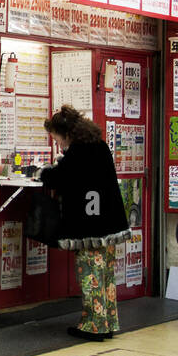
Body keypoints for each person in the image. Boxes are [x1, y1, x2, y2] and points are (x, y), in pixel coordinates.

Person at [39, 105, 130, 341]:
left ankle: (93, 325)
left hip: (90, 225)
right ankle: (107, 321)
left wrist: (42, 173)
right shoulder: (98, 146)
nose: (58, 144)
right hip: (109, 223)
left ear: (66, 134)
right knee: (106, 275)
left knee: (89, 273)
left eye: (57, 138)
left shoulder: (77, 152)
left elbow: (59, 179)